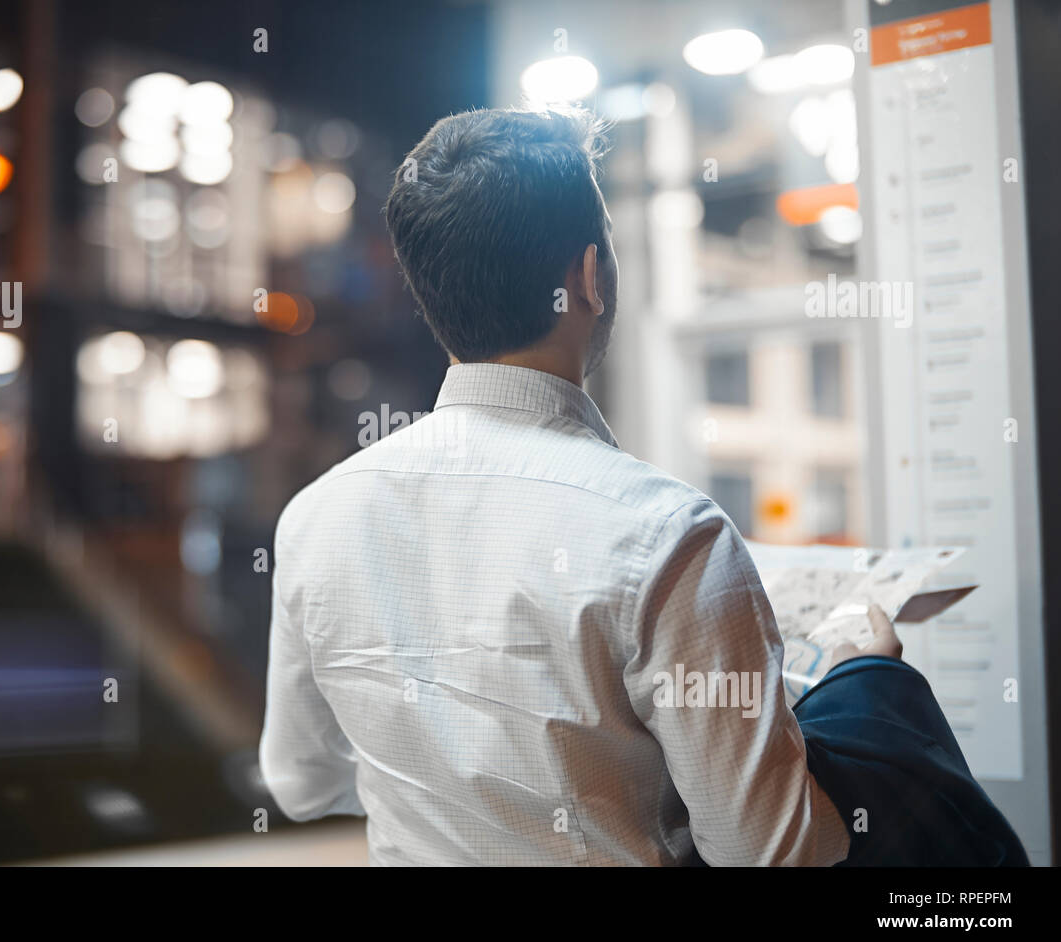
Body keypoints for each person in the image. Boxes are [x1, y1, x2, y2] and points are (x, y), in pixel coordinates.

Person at [259, 107, 889, 865]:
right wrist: (868, 684)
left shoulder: (314, 519)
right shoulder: (670, 536)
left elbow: (300, 781)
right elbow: (771, 852)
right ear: (590, 278)